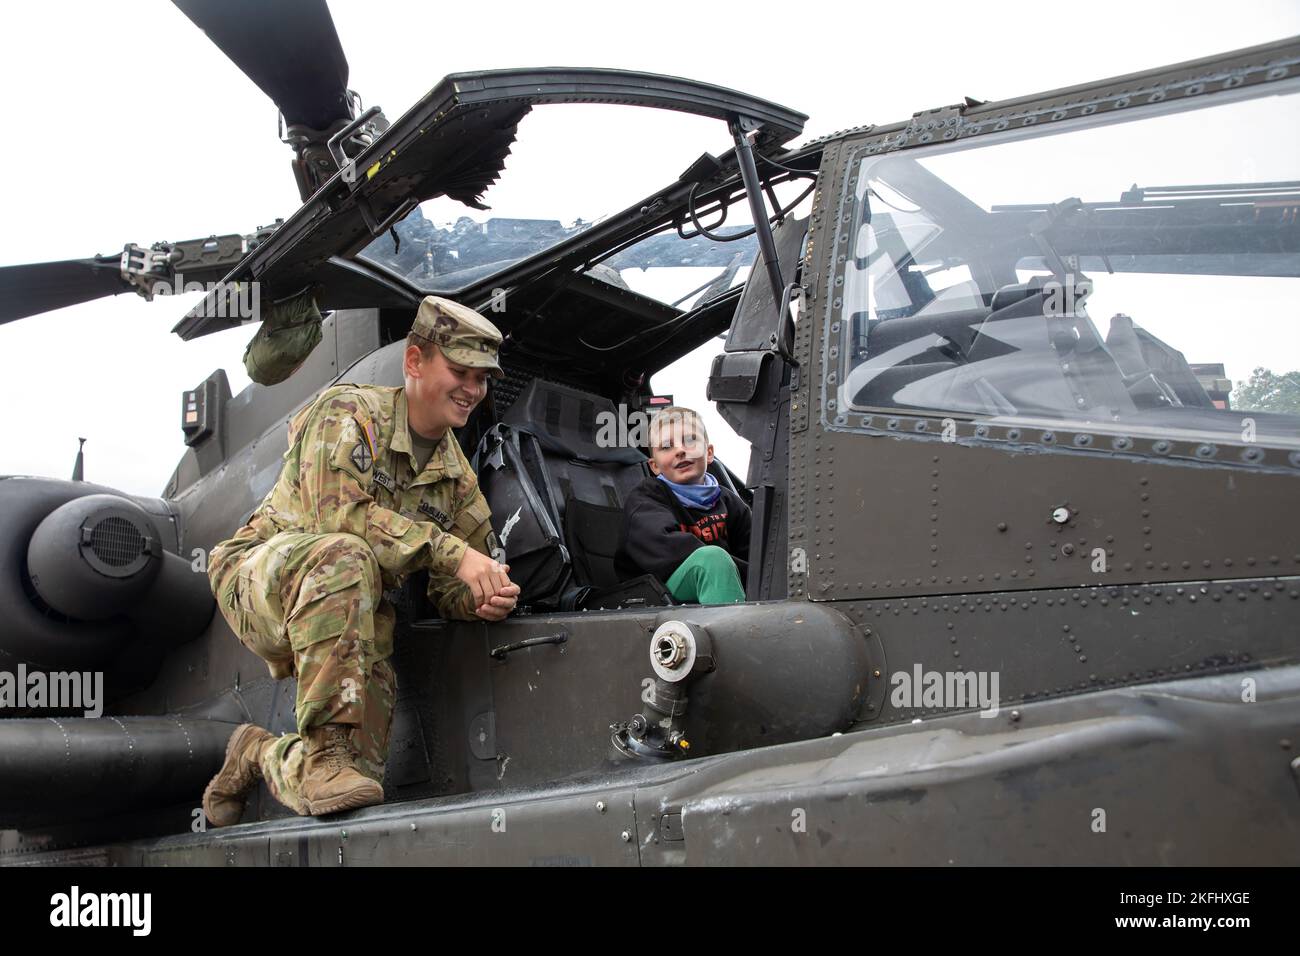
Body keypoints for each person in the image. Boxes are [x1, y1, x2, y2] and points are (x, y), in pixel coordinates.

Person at [201, 295, 519, 824]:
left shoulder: (457, 478)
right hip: (261, 576)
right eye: (460, 371)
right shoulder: (348, 412)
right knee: (344, 555)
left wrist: (484, 595)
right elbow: (339, 520)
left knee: (353, 789)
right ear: (415, 362)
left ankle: (257, 754)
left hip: (352, 616)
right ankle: (326, 752)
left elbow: (451, 587)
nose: (473, 389)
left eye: (482, 378)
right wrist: (452, 553)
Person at [615, 406, 750, 605]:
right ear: (654, 466)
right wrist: (739, 570)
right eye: (666, 447)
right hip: (659, 589)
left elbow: (759, 552)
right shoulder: (646, 500)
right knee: (713, 560)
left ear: (709, 452)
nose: (680, 450)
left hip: (719, 580)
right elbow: (668, 552)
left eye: (689, 440)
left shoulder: (728, 500)